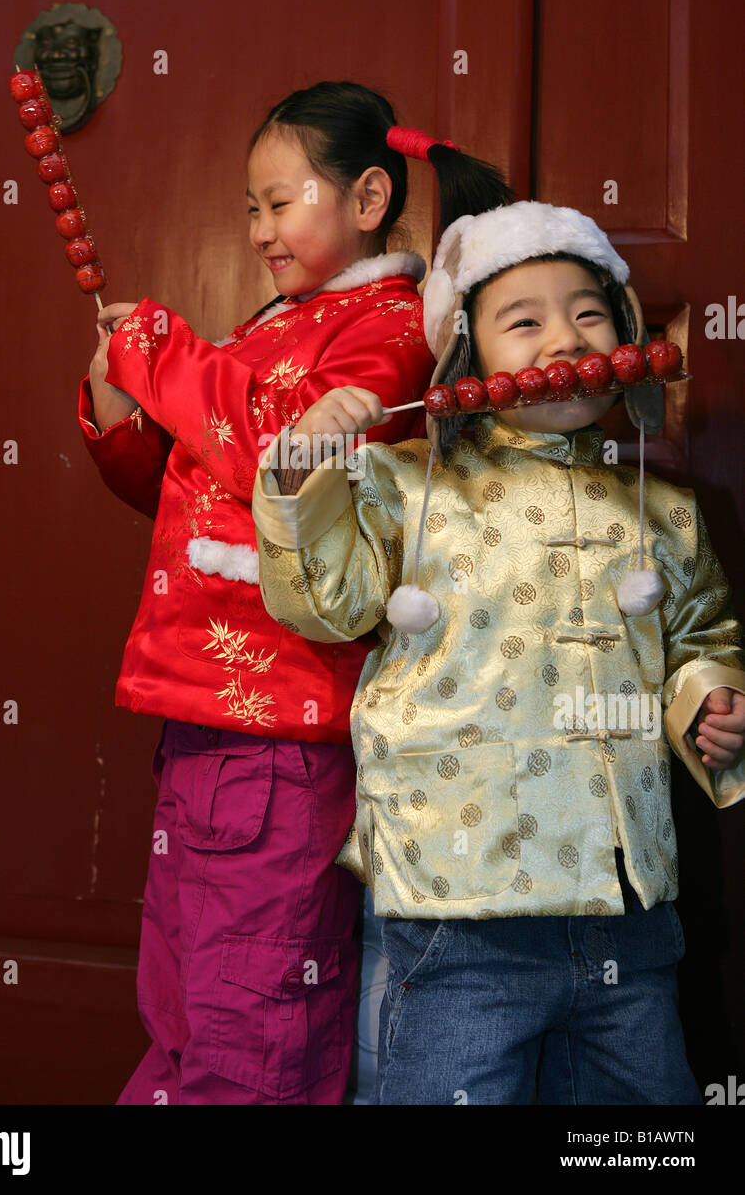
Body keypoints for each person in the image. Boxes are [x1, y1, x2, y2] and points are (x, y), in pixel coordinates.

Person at [251, 199, 745, 1105]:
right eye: (524, 322)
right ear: (466, 358)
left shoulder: (667, 514)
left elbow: (703, 639)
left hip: (628, 918)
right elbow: (326, 600)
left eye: (589, 314)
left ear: (630, 343)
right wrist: (301, 466)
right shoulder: (406, 485)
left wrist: (711, 700)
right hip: (459, 908)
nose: (563, 337)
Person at [77, 79, 513, 1104]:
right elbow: (183, 484)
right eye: (249, 207)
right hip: (201, 718)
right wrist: (118, 407)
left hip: (281, 720)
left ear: (368, 199)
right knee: (181, 1004)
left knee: (254, 1025)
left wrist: (161, 350)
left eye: (280, 202)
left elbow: (284, 449)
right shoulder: (276, 324)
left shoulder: (387, 328)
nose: (259, 228)